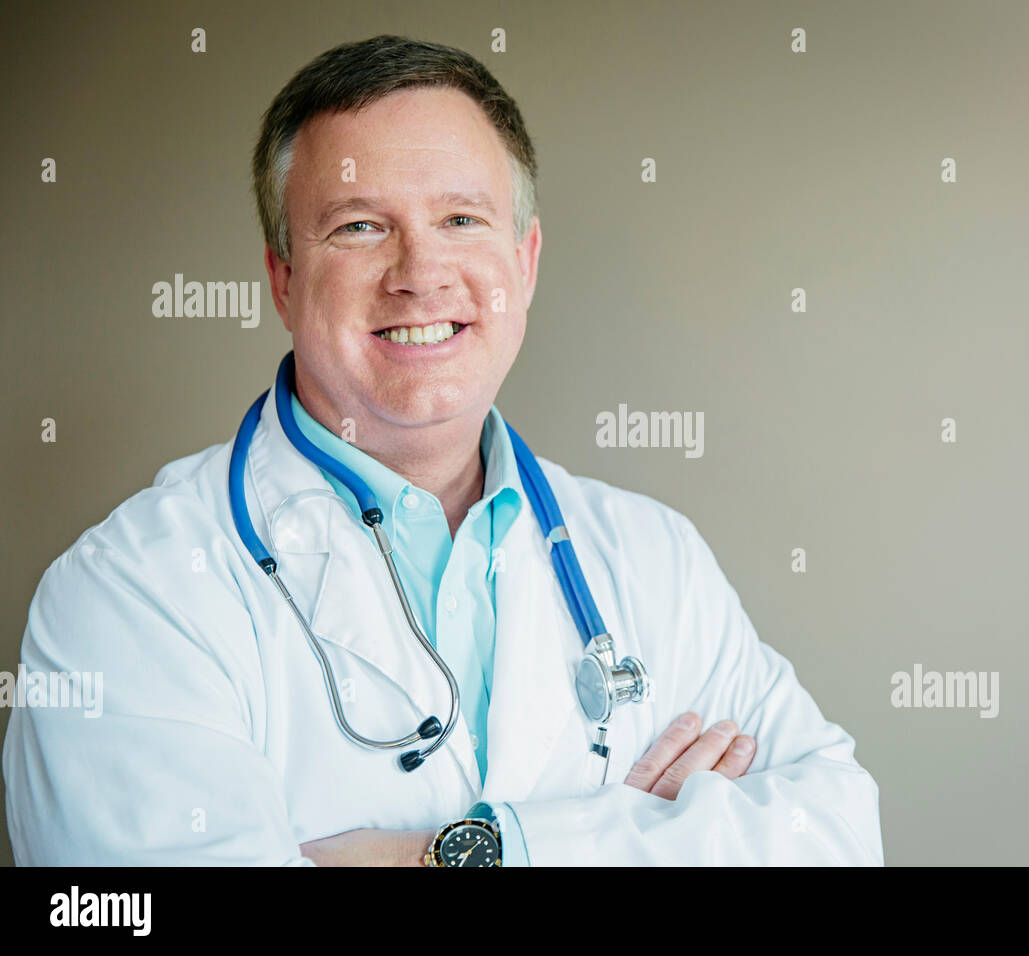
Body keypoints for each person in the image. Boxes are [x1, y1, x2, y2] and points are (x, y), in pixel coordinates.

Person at [2, 35, 884, 866]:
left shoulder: (657, 560)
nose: (420, 273)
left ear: (526, 261)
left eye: (462, 218)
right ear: (282, 277)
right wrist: (646, 832)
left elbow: (837, 834)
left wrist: (473, 855)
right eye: (358, 226)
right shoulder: (129, 595)